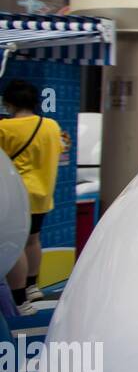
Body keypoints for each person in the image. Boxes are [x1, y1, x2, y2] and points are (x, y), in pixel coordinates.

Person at [0, 79, 64, 316]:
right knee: (33, 240)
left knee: (13, 247)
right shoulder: (51, 126)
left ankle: (20, 301)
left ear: (9, 102)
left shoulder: (4, 128)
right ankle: (32, 287)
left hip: (14, 197)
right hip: (42, 195)